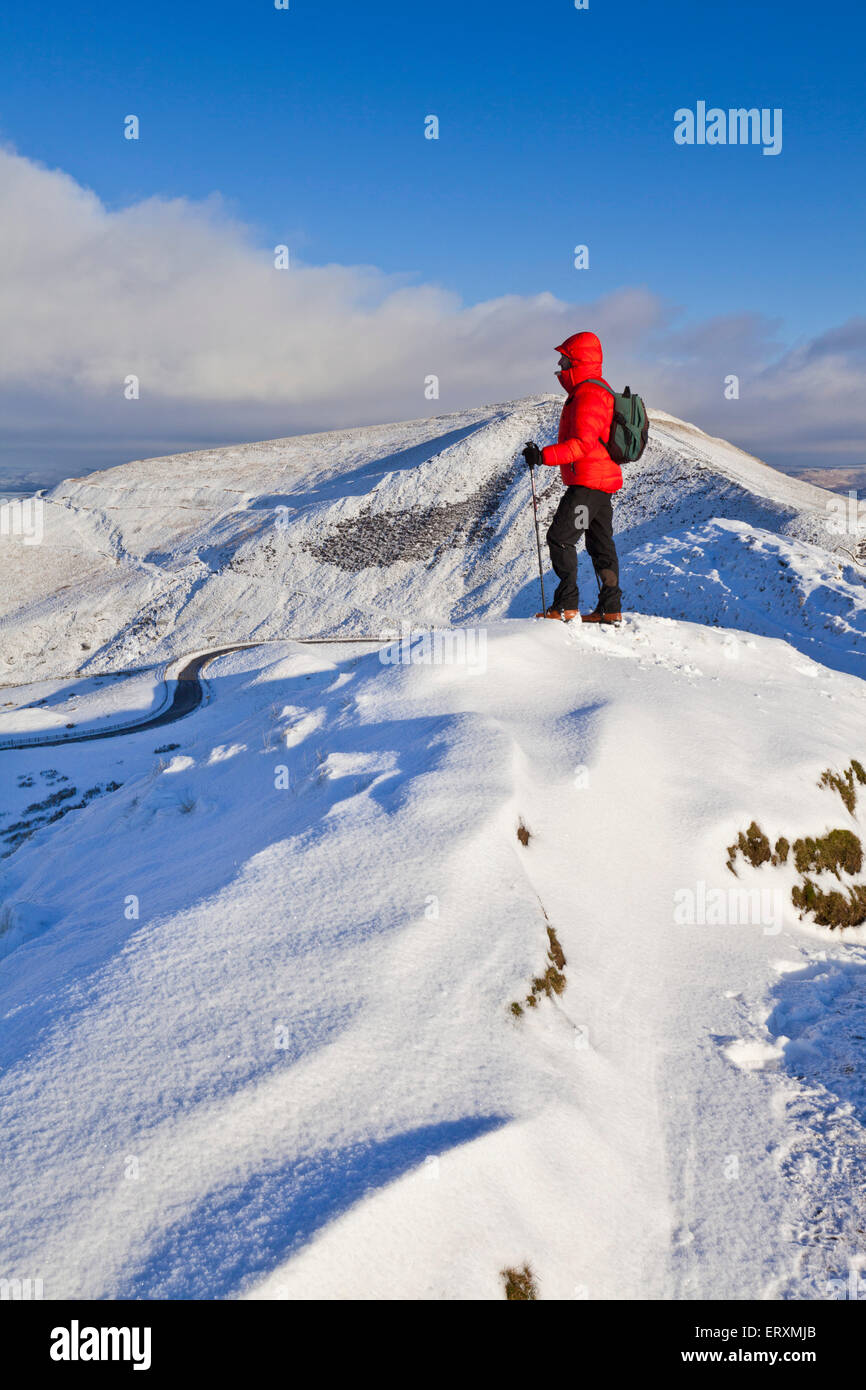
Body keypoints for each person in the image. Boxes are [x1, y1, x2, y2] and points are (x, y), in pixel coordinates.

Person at [522, 331, 623, 623]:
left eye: (564, 358)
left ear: (577, 361)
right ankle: (610, 609)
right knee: (600, 545)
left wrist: (542, 456)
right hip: (600, 485)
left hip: (588, 484)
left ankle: (566, 605)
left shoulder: (588, 395)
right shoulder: (597, 390)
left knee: (561, 538)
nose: (559, 363)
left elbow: (582, 445)